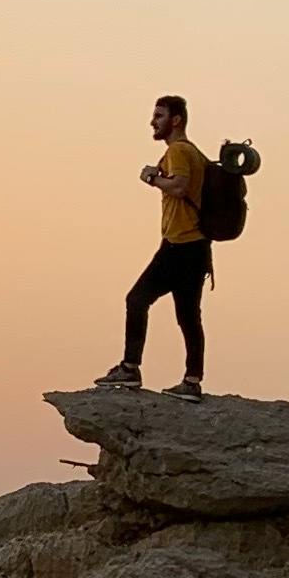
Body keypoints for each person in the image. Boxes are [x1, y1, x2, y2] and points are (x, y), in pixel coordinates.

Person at [97, 93, 209, 396]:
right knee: (188, 316)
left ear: (175, 120)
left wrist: (151, 179)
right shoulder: (193, 153)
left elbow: (180, 185)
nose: (152, 122)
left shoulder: (180, 151)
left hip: (178, 245)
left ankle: (130, 368)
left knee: (136, 299)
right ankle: (192, 382)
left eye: (159, 116)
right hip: (197, 247)